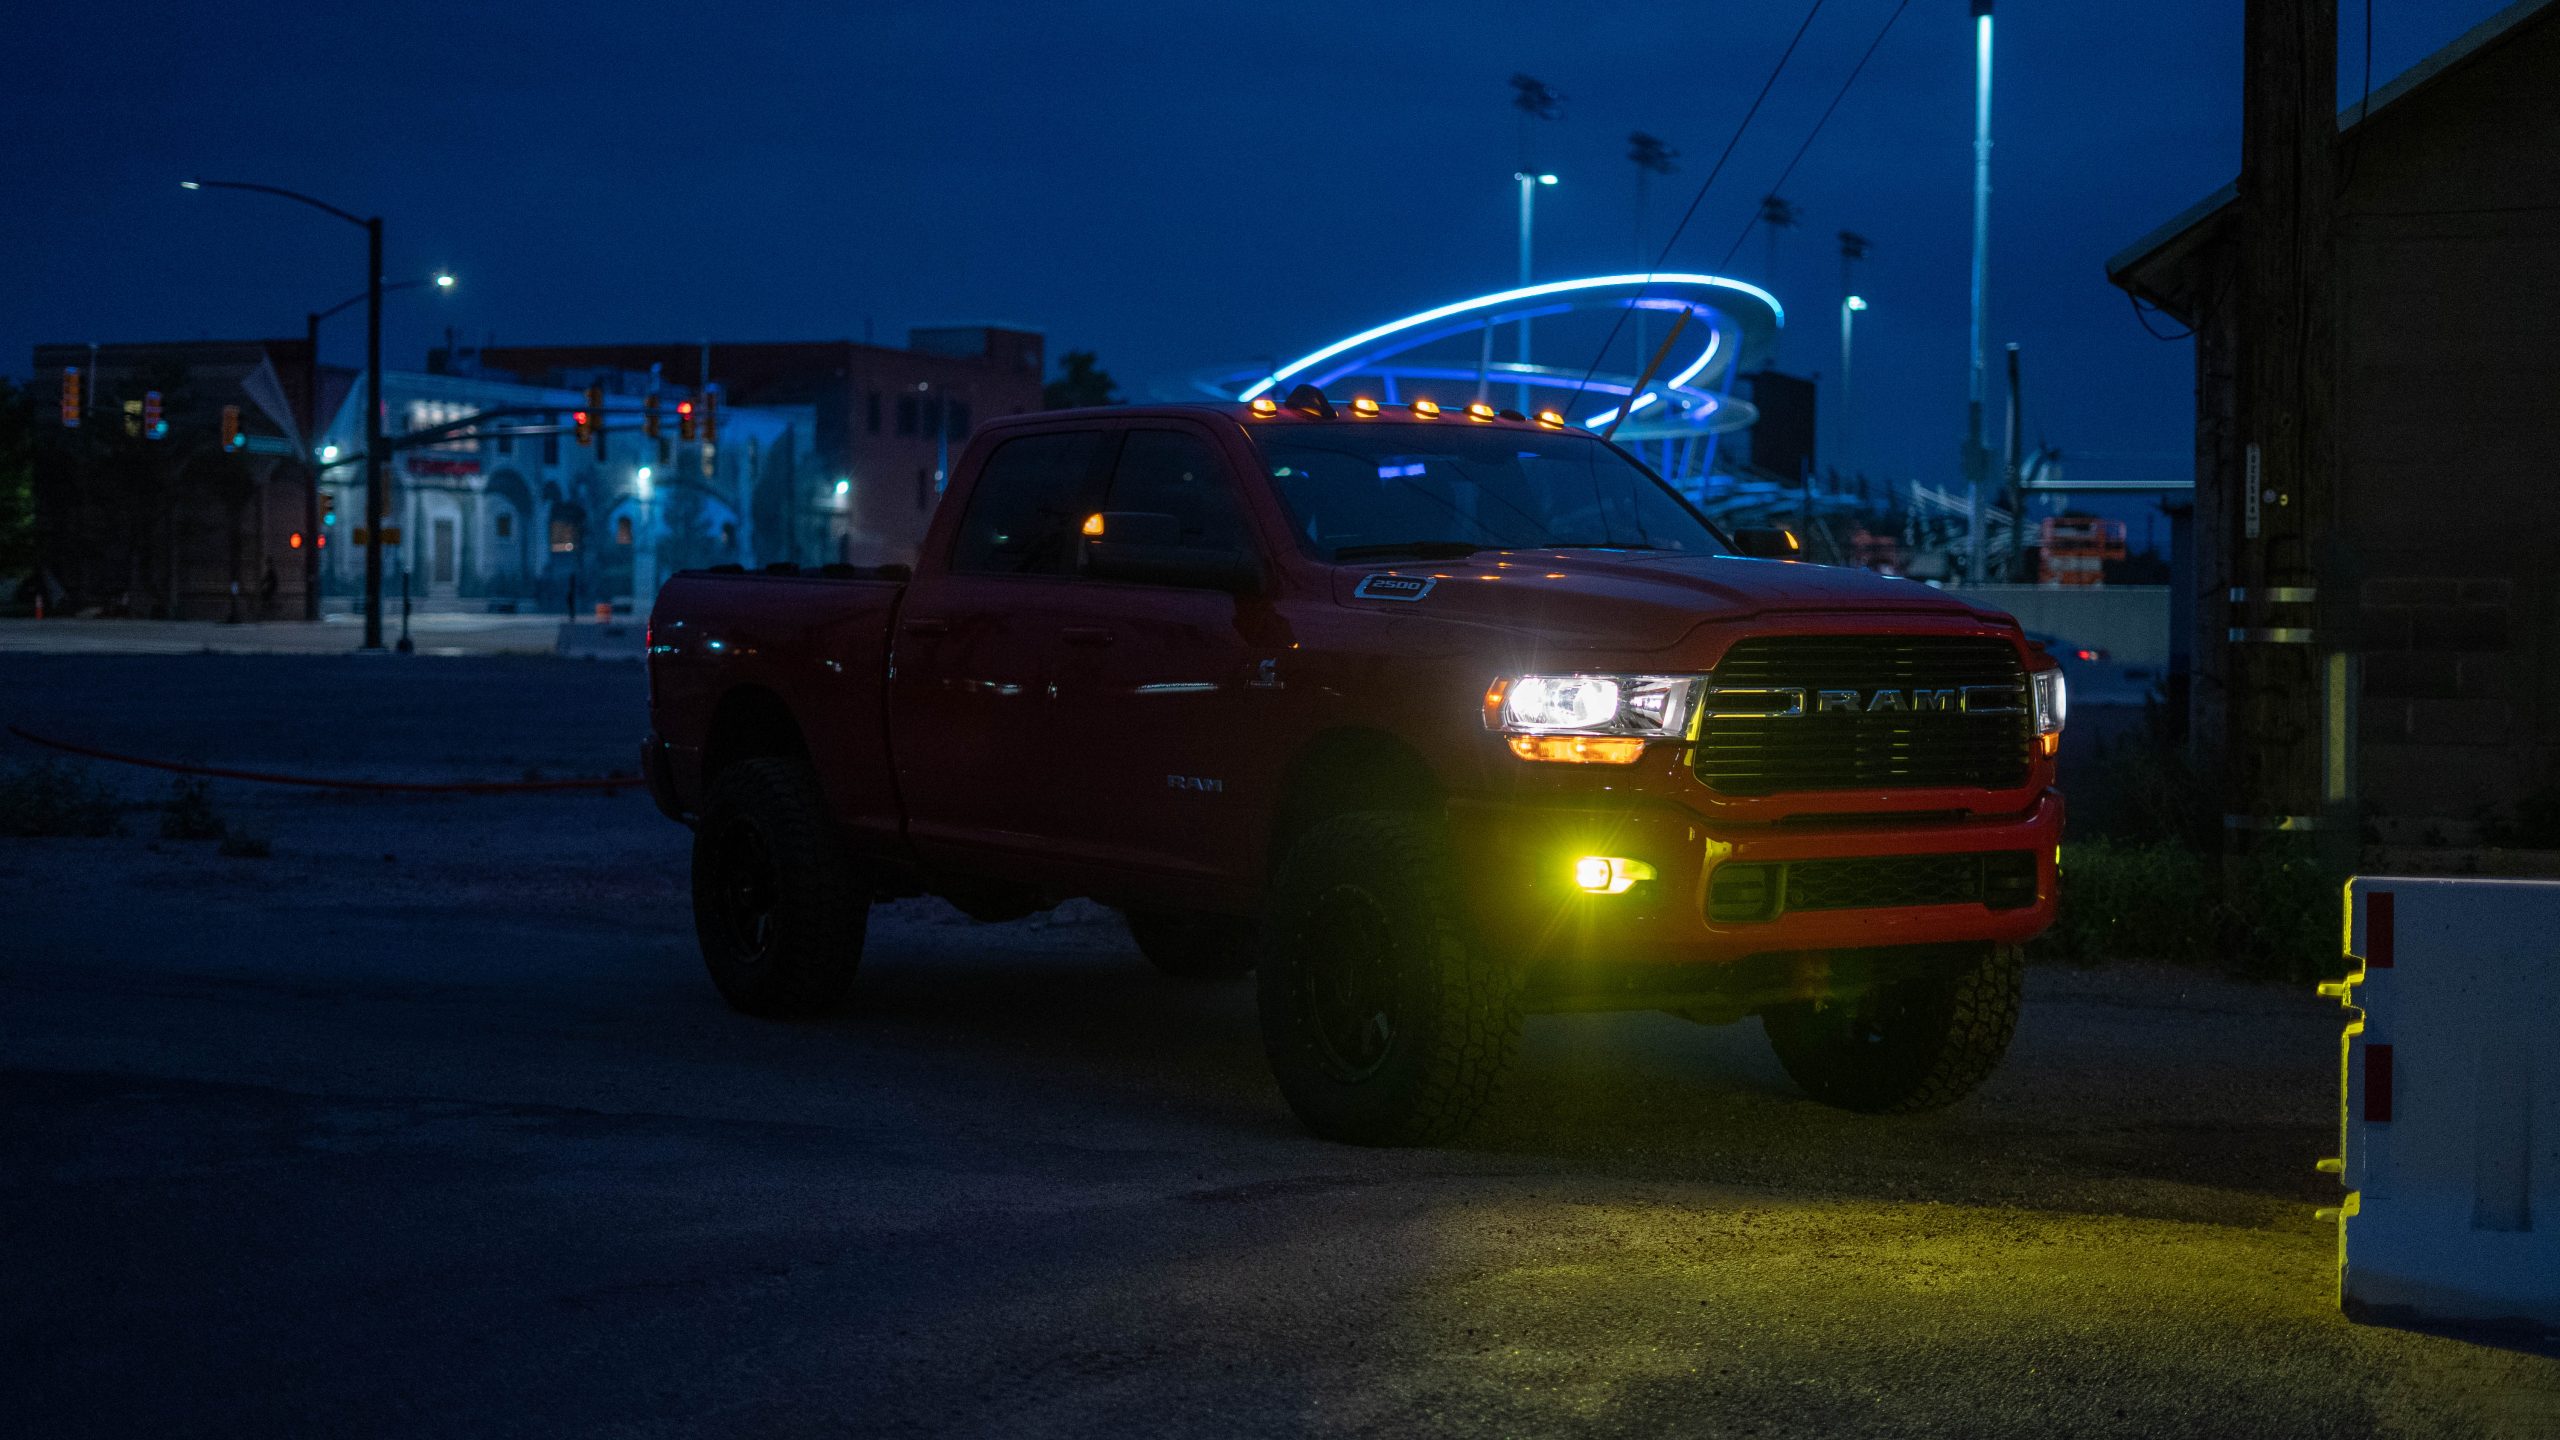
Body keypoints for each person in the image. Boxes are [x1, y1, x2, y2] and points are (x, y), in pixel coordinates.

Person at [258, 557, 280, 621]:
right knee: (266, 599)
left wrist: (261, 584)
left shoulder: (271, 571)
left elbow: (266, 579)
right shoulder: (271, 570)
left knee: (265, 599)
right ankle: (269, 609)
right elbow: (266, 579)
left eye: (268, 563)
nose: (268, 565)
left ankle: (266, 612)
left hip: (271, 589)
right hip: (271, 588)